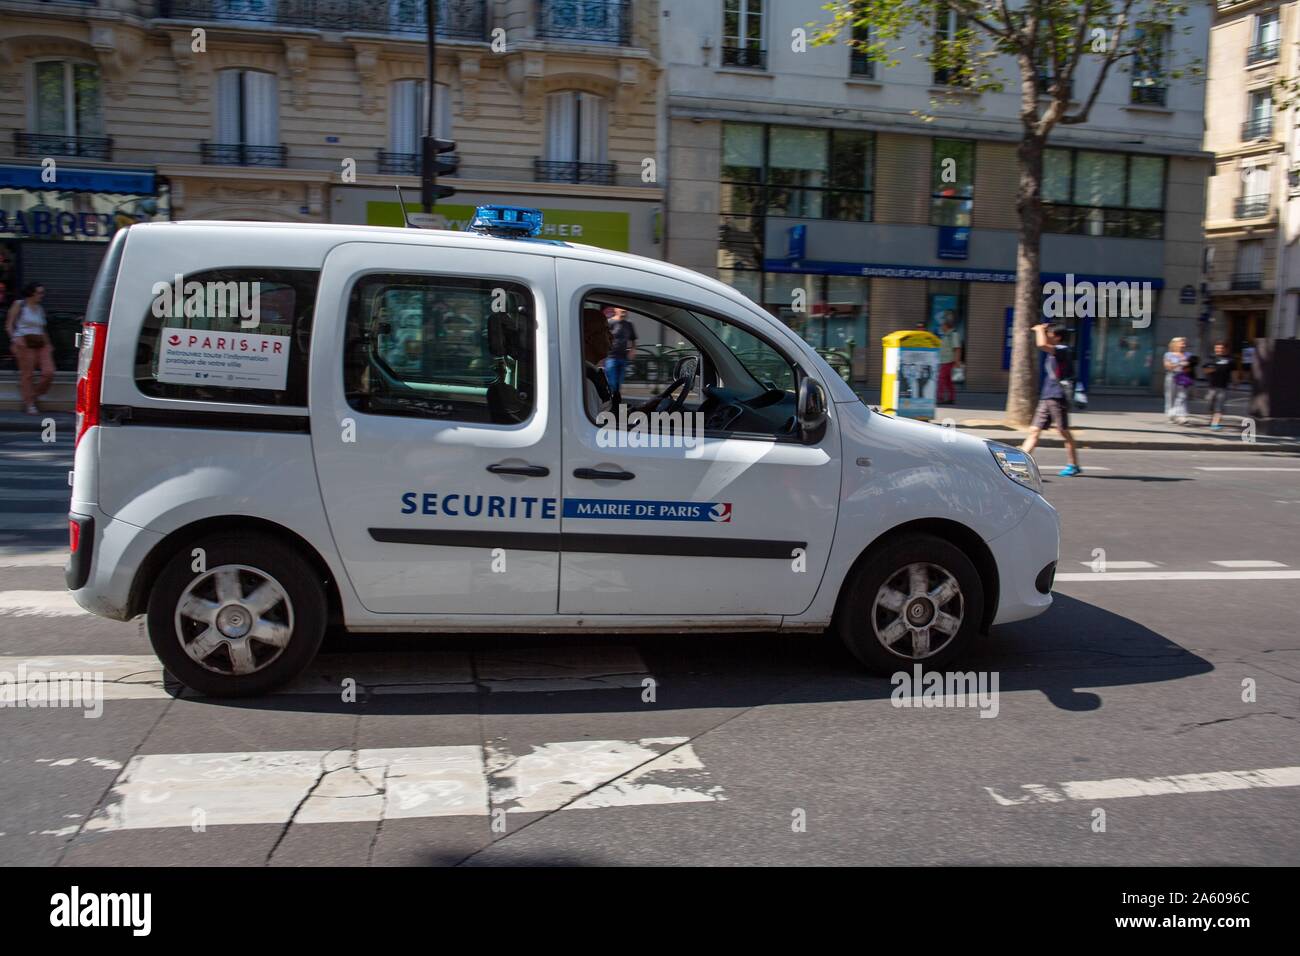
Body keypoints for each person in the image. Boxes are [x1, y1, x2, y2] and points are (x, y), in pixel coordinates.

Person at [1021, 323, 1081, 477]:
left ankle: (1073, 464)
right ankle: (1020, 463)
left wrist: (1039, 329)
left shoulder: (1063, 349)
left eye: (1050, 334)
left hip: (1058, 396)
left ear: (1058, 337)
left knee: (1063, 431)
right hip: (1047, 395)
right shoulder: (1056, 351)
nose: (1047, 335)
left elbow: (1041, 344)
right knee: (1034, 430)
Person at [6, 282, 53, 415]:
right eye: (39, 293)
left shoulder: (39, 309)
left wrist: (48, 344)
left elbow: (42, 328)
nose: (42, 296)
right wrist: (14, 339)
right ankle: (29, 404)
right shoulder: (19, 305)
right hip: (24, 341)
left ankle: (32, 395)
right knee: (28, 374)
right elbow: (9, 324)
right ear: (31, 293)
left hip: (40, 342)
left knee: (49, 372)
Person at [581, 307, 614, 418]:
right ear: (588, 337)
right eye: (606, 330)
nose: (612, 336)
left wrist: (642, 409)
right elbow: (593, 431)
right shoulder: (585, 382)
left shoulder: (591, 374)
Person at [603, 305, 637, 394]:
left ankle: (619, 407)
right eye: (622, 309)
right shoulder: (610, 322)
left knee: (618, 385)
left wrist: (632, 350)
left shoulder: (629, 324)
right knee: (612, 383)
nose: (624, 310)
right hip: (611, 358)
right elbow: (603, 338)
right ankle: (612, 405)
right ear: (616, 310)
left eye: (625, 309)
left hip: (623, 358)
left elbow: (633, 339)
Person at [1203, 340, 1234, 430]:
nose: (1218, 350)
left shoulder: (1230, 360)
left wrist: (1236, 381)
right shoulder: (1211, 358)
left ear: (1226, 349)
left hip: (1223, 387)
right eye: (1217, 348)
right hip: (1212, 387)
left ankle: (1215, 423)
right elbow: (1205, 370)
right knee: (1210, 405)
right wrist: (1212, 369)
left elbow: (1234, 372)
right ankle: (1213, 419)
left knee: (1219, 406)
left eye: (1221, 348)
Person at [936, 312, 962, 405]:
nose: (941, 327)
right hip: (943, 361)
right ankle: (951, 398)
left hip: (948, 361)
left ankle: (940, 398)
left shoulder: (953, 334)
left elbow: (957, 348)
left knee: (941, 379)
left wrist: (957, 361)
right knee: (947, 381)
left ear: (946, 326)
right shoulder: (945, 335)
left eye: (942, 325)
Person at [1162, 336, 1187, 422]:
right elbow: (1168, 366)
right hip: (1172, 376)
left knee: (1182, 396)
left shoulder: (1186, 355)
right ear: (1175, 344)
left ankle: (1181, 415)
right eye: (1182, 343)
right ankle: (1171, 415)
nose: (1183, 345)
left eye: (1184, 343)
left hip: (1183, 376)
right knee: (1171, 396)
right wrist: (1180, 363)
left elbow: (1189, 367)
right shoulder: (1168, 354)